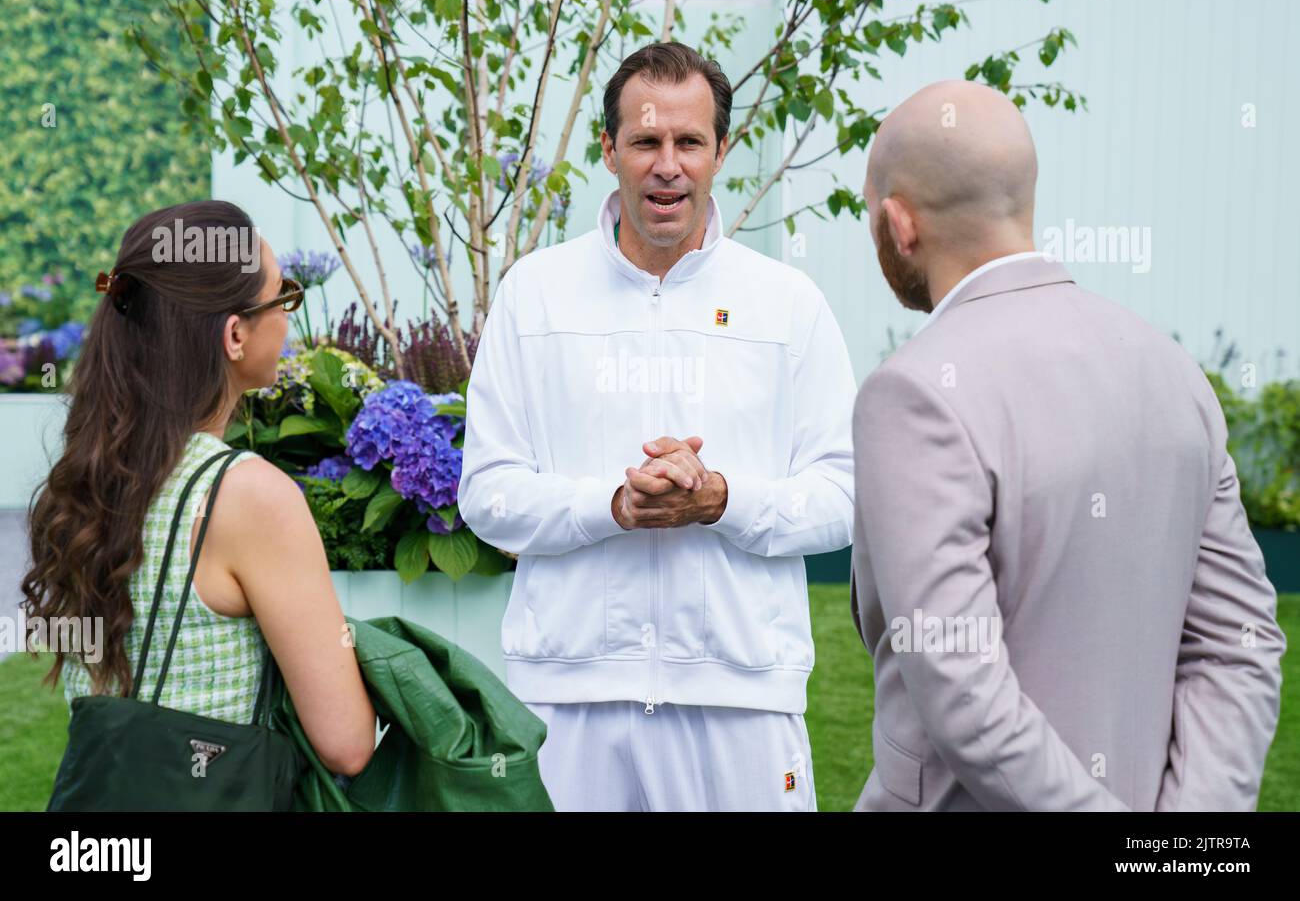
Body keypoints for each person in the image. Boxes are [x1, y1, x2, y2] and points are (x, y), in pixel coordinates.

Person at [849, 79, 1286, 811]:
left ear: (899, 224)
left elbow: (963, 693)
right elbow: (1239, 643)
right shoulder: (1174, 371)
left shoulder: (913, 393)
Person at [458, 42, 857, 811]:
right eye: (645, 141)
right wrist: (611, 506)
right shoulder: (535, 295)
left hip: (743, 701)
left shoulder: (788, 303)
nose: (667, 164)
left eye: (688, 142)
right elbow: (487, 493)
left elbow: (845, 492)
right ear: (609, 149)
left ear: (722, 151)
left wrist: (721, 501)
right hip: (566, 702)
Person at [22, 200, 376, 785]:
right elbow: (346, 743)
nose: (290, 314)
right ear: (235, 334)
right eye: (282, 295)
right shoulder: (246, 496)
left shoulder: (88, 477)